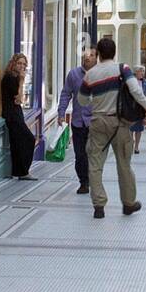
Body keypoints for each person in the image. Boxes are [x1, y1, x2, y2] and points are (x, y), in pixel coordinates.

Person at [78, 36, 146, 219]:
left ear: (99, 54)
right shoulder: (123, 69)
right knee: (124, 164)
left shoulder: (90, 74)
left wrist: (95, 100)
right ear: (114, 52)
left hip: (98, 122)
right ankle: (128, 203)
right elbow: (135, 90)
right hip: (120, 123)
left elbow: (81, 100)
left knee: (95, 164)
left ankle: (99, 206)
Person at [58, 50, 96, 194]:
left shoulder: (101, 75)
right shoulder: (73, 74)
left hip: (96, 122)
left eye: (91, 55)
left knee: (93, 154)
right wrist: (61, 113)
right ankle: (83, 182)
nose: (87, 57)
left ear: (96, 58)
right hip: (78, 122)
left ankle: (93, 177)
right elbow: (66, 93)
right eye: (85, 55)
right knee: (80, 155)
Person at [2, 53, 36, 179]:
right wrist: (22, 81)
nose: (22, 66)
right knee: (29, 139)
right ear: (13, 64)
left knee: (17, 143)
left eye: (24, 64)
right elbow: (18, 99)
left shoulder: (14, 77)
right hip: (12, 115)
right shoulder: (10, 78)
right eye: (19, 63)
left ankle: (19, 171)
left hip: (16, 113)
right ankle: (23, 172)